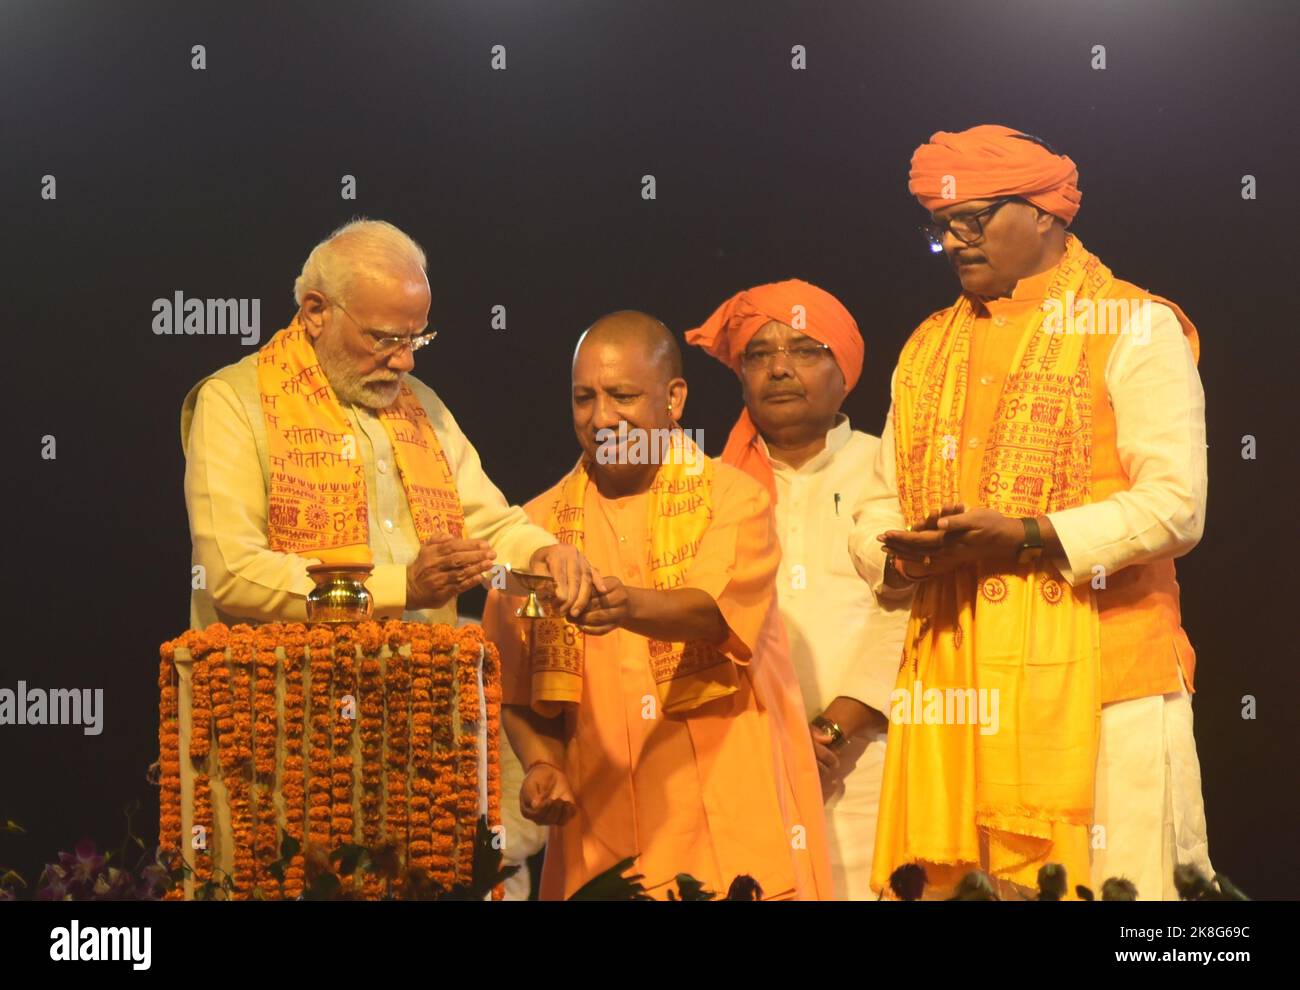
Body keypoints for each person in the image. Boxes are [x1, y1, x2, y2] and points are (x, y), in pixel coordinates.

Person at [849, 124, 1212, 899]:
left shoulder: (1134, 324)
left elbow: (1178, 507)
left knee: (1125, 895)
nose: (954, 241)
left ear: (1046, 211)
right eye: (942, 225)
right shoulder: (926, 346)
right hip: (957, 685)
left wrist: (1027, 537)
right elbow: (878, 498)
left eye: (974, 220)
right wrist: (902, 553)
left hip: (1108, 684)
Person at [483, 310, 832, 900]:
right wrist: (543, 766)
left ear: (674, 398)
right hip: (603, 831)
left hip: (729, 822)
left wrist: (622, 606)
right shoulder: (537, 532)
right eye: (583, 398)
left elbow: (709, 612)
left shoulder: (733, 498)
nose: (601, 419)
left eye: (622, 396)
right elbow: (514, 691)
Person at [181, 218, 597, 629]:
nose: (406, 361)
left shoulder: (421, 405)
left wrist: (540, 558)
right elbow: (233, 573)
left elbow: (487, 532)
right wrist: (403, 587)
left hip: (420, 684)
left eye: (415, 339)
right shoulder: (235, 401)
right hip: (283, 689)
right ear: (316, 311)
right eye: (384, 338)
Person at [686, 279, 909, 899]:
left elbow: (911, 613)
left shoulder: (887, 467)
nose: (779, 367)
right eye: (759, 354)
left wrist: (833, 730)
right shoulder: (706, 487)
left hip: (868, 766)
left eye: (806, 351)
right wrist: (771, 741)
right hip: (740, 762)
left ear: (846, 373)